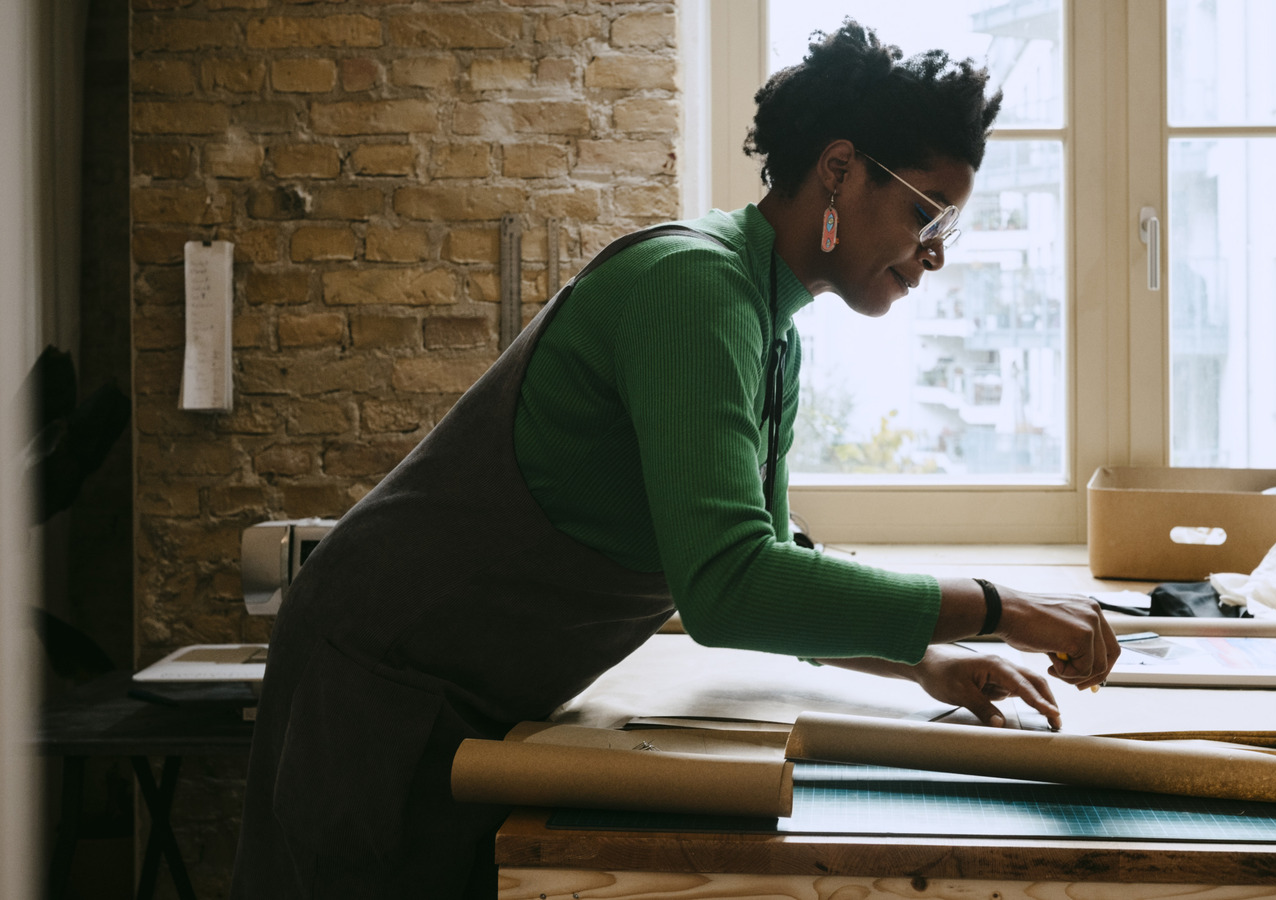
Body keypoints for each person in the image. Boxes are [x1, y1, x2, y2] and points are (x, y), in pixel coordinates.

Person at [232, 20, 1118, 900]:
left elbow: (772, 560)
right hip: (377, 680)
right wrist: (1000, 610)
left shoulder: (772, 332)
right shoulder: (695, 289)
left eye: (947, 228)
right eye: (926, 213)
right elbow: (728, 587)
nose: (932, 254)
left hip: (471, 689)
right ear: (840, 169)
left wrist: (924, 661)